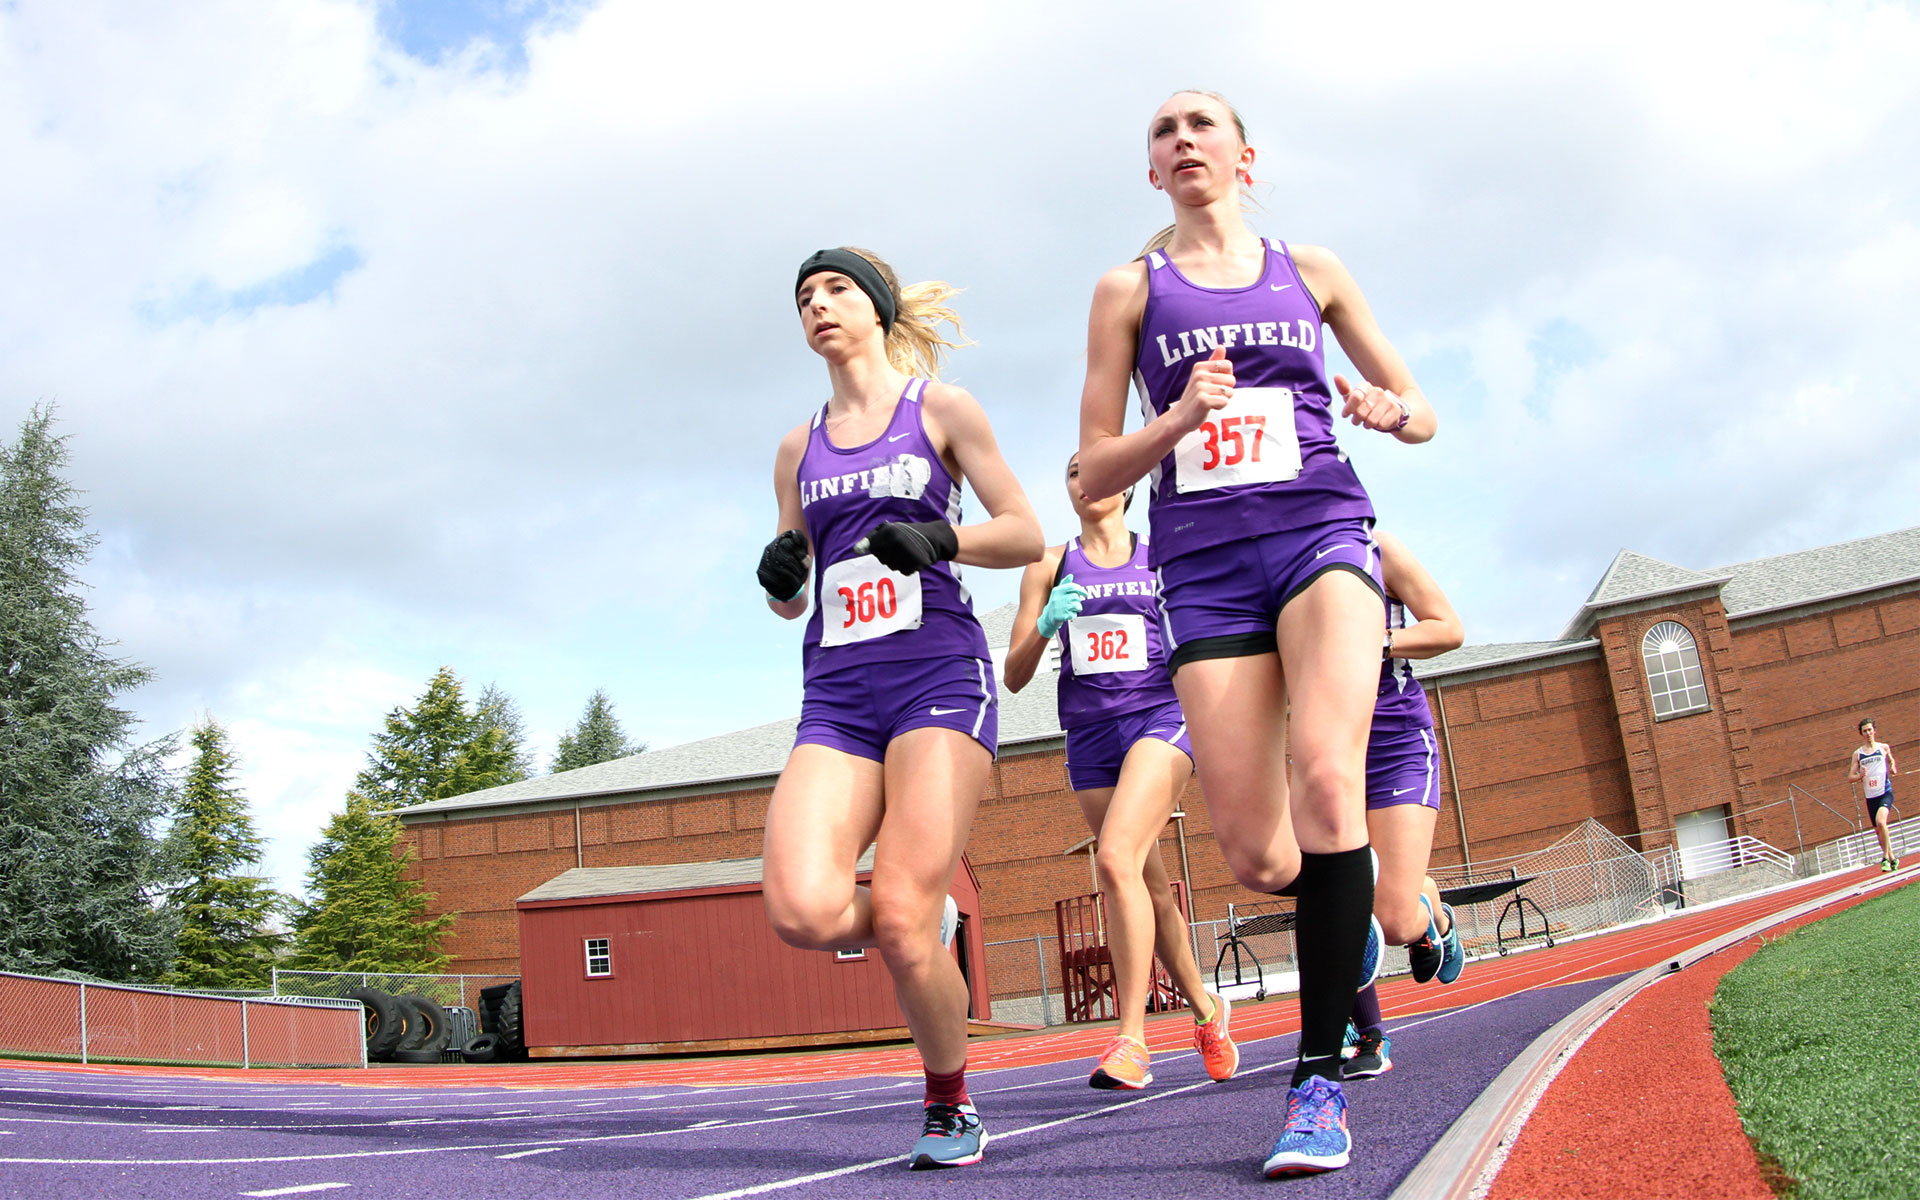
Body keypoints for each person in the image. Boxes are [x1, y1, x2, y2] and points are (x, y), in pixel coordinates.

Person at [1076, 90, 1435, 1178]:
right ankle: (1354, 913)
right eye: (1161, 132)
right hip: (1205, 568)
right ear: (1151, 173)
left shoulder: (1312, 270)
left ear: (1245, 156)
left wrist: (1388, 411)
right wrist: (1177, 417)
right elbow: (1089, 471)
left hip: (1321, 531)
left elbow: (1419, 406)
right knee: (1254, 850)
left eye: (1201, 125)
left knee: (1329, 780)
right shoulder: (1128, 291)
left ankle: (1317, 1084)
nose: (1182, 140)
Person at [756, 247, 1042, 1170]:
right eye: (805, 297)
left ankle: (949, 1101)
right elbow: (791, 593)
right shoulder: (797, 446)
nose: (819, 305)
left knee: (903, 908)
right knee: (801, 908)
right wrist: (778, 575)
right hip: (837, 695)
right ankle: (926, 924)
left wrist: (939, 534)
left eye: (836, 289)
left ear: (877, 309)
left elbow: (1028, 532)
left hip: (937, 676)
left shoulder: (941, 410)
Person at [1004, 453, 1239, 1092]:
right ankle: (1209, 1010)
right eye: (1071, 472)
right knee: (1146, 886)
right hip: (1091, 738)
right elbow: (1014, 675)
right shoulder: (1048, 566)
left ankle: (1132, 1040)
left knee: (1112, 862)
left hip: (1161, 721)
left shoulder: (1161, 553)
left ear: (1126, 483)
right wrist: (1047, 624)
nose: (1083, 480)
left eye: (1094, 468)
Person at [1339, 530, 1467, 1081]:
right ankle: (1368, 1034)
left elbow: (1449, 628)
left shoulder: (1378, 551)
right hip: (1332, 749)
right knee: (1337, 896)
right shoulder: (1268, 564)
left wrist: (1378, 643)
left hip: (1395, 743)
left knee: (1391, 920)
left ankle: (1432, 912)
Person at [1848, 718, 1900, 871]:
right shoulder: (1858, 754)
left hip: (1885, 792)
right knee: (1879, 832)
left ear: (1874, 731)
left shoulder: (1883, 747)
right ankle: (1892, 858)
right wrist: (1860, 775)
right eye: (1865, 731)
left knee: (1881, 822)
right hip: (1871, 798)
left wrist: (1893, 768)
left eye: (1870, 730)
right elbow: (1850, 777)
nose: (1868, 733)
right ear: (1861, 734)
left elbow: (1891, 761)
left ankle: (1884, 858)